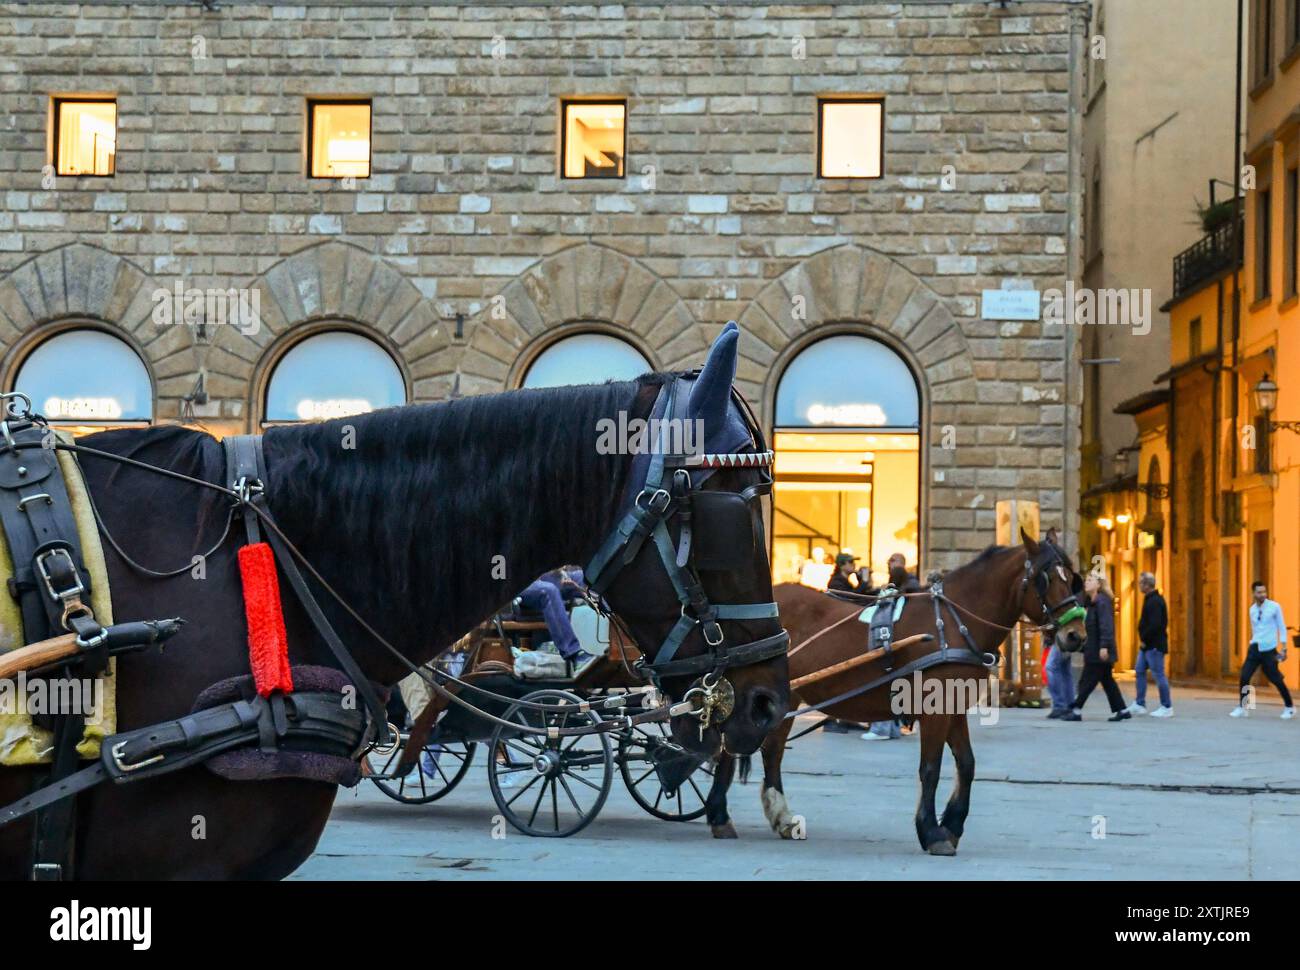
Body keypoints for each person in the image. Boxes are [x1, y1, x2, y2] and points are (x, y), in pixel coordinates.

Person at [1066, 572, 1129, 722]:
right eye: (1086, 580)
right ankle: (1122, 709)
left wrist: (1104, 646)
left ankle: (1076, 709)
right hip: (1093, 648)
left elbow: (1106, 626)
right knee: (1107, 681)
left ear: (1098, 584)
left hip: (1098, 650)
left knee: (1087, 681)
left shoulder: (1102, 602)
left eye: (1090, 580)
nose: (1086, 582)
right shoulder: (1091, 602)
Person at [517, 566, 600, 677]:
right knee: (548, 590)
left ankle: (620, 644)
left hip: (544, 576)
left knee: (587, 576)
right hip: (517, 582)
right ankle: (575, 655)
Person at [1230, 581, 1295, 719]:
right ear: (1253, 593)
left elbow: (1281, 627)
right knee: (1245, 676)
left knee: (1275, 679)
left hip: (1269, 649)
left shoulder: (1274, 607)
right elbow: (1256, 629)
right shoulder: (1252, 609)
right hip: (1254, 647)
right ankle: (1244, 707)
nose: (1262, 595)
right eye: (1259, 592)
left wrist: (1283, 648)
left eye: (1264, 592)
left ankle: (1289, 707)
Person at [1128, 572, 1172, 717]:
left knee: (1158, 674)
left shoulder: (1155, 601)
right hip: (1146, 646)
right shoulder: (1150, 599)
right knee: (1139, 670)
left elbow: (1156, 625)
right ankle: (1140, 703)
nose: (1139, 585)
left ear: (1147, 585)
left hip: (1153, 645)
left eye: (1141, 583)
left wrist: (1145, 637)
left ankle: (1166, 706)